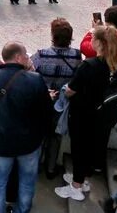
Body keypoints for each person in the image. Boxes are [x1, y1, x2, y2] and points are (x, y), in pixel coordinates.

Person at [0, 42, 53, 213]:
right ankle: (22, 210)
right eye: (26, 55)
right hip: (29, 142)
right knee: (27, 181)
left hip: (1, 141)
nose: (28, 57)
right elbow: (46, 111)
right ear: (18, 57)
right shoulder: (35, 80)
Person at [54, 26, 117, 202]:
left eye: (93, 37)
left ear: (100, 43)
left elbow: (71, 90)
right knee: (88, 147)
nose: (90, 40)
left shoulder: (89, 65)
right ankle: (82, 179)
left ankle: (76, 187)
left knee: (79, 148)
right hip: (99, 113)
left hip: (82, 113)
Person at [31, 18, 82, 176]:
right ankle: (51, 168)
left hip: (42, 101)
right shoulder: (76, 56)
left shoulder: (41, 54)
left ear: (53, 35)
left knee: (38, 135)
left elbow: (29, 75)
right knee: (55, 137)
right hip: (63, 102)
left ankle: (35, 167)